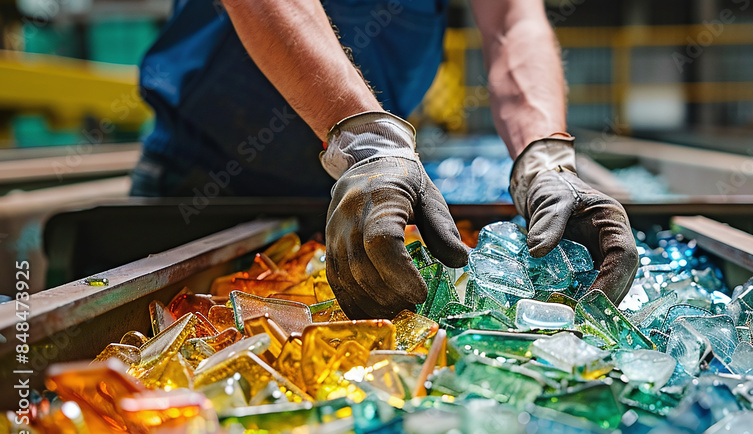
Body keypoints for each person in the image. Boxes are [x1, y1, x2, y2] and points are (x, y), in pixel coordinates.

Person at [133, 0, 639, 319]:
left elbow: (512, 20)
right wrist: (370, 144)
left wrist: (543, 159)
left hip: (364, 199)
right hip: (205, 184)